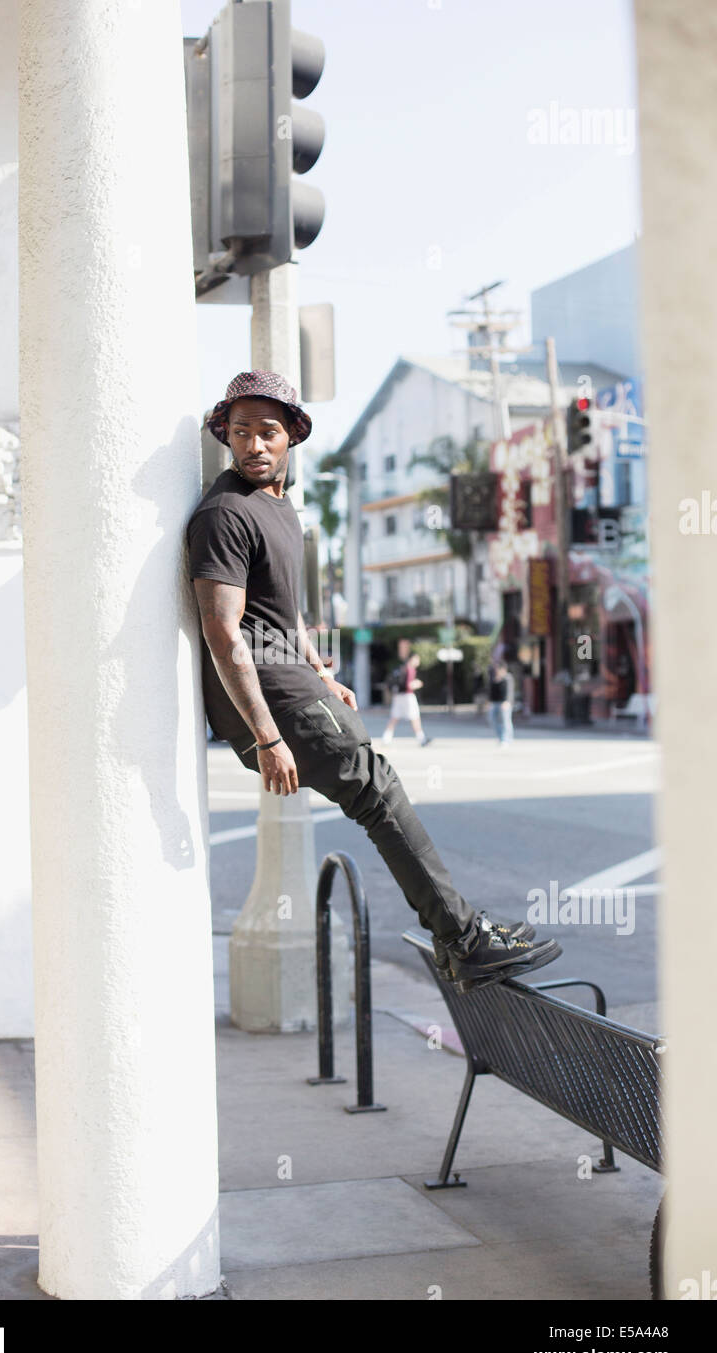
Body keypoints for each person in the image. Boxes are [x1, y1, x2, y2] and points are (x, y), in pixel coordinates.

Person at [185, 370, 560, 993]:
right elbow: (223, 634)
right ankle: (464, 941)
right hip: (270, 697)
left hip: (294, 681)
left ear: (292, 439)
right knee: (377, 792)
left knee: (378, 790)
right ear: (225, 436)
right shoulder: (224, 515)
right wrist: (268, 736)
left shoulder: (277, 508)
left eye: (267, 433)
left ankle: (460, 937)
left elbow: (283, 610)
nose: (252, 445)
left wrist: (320, 670)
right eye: (240, 432)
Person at [381, 652, 430, 746]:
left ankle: (386, 738)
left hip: (398, 696)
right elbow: (409, 685)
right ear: (413, 659)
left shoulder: (401, 668)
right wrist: (418, 683)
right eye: (417, 659)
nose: (418, 662)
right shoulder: (410, 669)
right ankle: (421, 739)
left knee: (394, 717)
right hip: (408, 696)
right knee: (415, 717)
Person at [488, 659, 515, 747]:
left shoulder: (507, 678)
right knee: (492, 719)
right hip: (495, 702)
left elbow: (509, 691)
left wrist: (507, 701)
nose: (496, 671)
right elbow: (491, 691)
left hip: (505, 703)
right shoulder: (494, 678)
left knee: (506, 721)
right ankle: (500, 737)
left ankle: (507, 739)